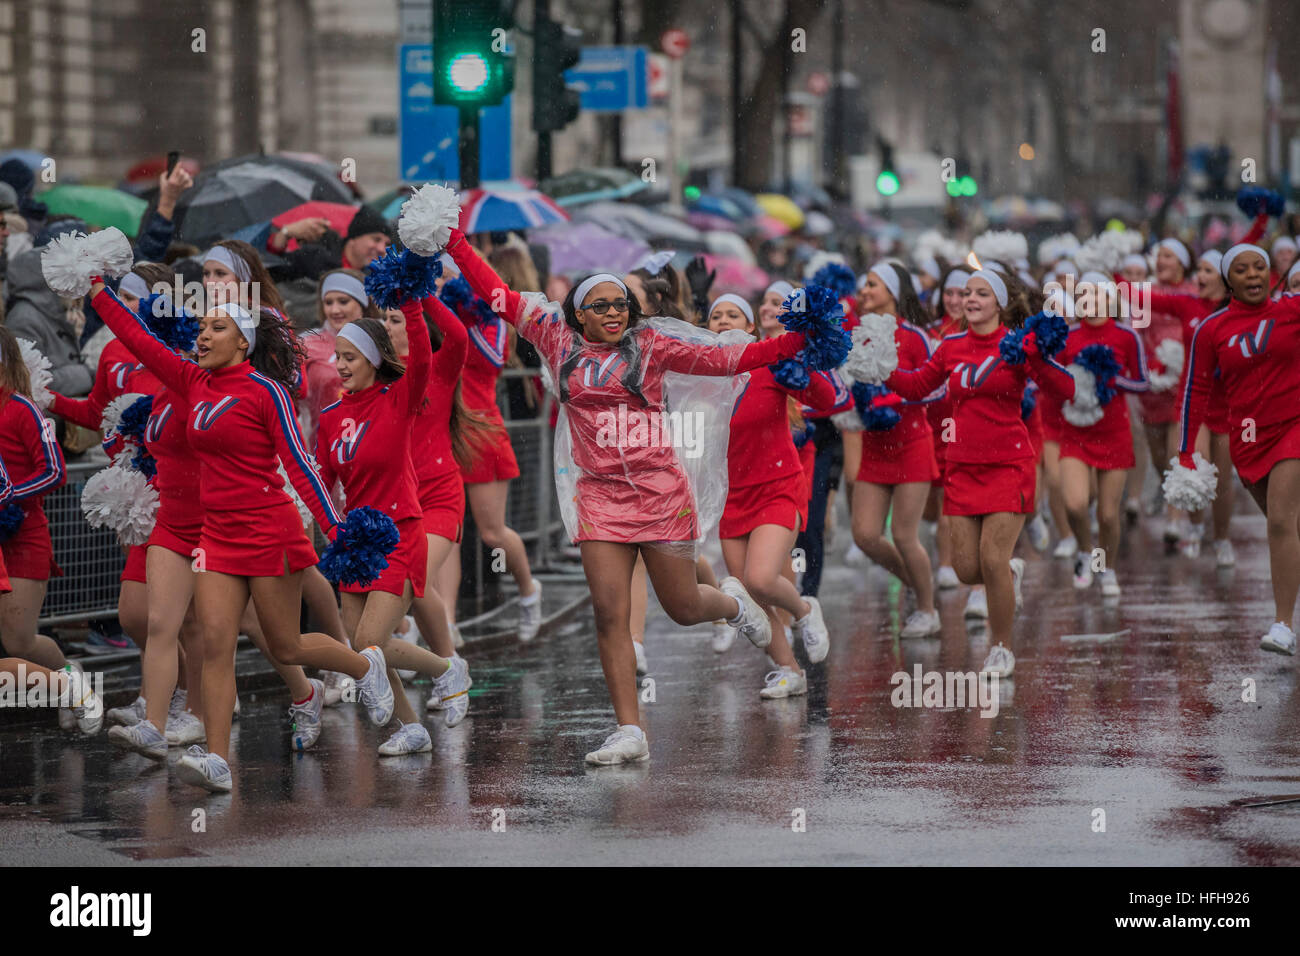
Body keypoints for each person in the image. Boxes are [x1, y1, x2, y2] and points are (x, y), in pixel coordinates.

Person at [443, 227, 810, 765]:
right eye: (601, 305)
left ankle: (735, 606)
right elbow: (494, 290)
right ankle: (629, 730)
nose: (614, 313)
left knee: (684, 607)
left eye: (622, 304)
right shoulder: (551, 335)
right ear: (578, 314)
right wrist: (453, 241)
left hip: (661, 493)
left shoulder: (653, 345)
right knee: (608, 614)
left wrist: (802, 340)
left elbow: (728, 361)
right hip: (598, 498)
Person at [86, 274, 397, 794]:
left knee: (288, 645)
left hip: (268, 532)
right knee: (215, 645)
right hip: (216, 537)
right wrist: (97, 290)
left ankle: (364, 667)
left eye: (217, 327)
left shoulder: (266, 392)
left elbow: (299, 466)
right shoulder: (191, 381)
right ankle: (216, 759)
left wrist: (336, 532)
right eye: (202, 327)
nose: (203, 336)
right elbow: (140, 338)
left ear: (243, 342)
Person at [886, 270, 1076, 676]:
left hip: (1009, 464)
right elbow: (918, 386)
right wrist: (880, 367)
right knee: (967, 570)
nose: (970, 299)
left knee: (991, 558)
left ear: (1000, 303)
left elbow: (1065, 388)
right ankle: (1009, 573)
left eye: (981, 293)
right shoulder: (951, 346)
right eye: (967, 292)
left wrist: (1037, 358)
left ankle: (1001, 646)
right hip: (962, 467)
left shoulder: (1017, 344)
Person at [316, 293, 472, 754]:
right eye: (337, 357)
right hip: (354, 539)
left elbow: (426, 354)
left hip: (399, 532)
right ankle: (412, 726)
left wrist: (415, 299)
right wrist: (329, 529)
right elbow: (324, 481)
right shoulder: (330, 417)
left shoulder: (398, 398)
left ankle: (447, 668)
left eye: (350, 357)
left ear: (372, 359)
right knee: (360, 649)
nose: (340, 366)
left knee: (369, 641)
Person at [707, 293, 835, 697]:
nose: (723, 320)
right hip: (731, 495)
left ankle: (804, 609)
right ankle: (788, 670)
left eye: (733, 314)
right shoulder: (700, 376)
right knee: (750, 596)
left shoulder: (769, 362)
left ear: (750, 328)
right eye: (715, 315)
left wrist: (801, 369)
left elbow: (826, 400)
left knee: (760, 578)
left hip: (777, 486)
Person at [1178, 244, 1300, 655]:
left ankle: (1283, 623)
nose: (1252, 276)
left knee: (1281, 521)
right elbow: (1195, 390)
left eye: (1260, 268)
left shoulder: (1292, 311)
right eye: (1243, 270)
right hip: (1247, 438)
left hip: (1294, 426)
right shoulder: (1211, 330)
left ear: (1270, 273)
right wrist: (1184, 452)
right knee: (1290, 526)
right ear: (1229, 281)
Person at [437, 274, 542, 642]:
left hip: (481, 432)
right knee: (446, 533)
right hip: (440, 432)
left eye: (447, 274)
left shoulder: (487, 317)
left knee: (492, 533)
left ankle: (529, 592)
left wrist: (462, 310)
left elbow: (492, 357)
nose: (441, 279)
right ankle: (447, 622)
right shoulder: (431, 311)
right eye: (436, 273)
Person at [0, 328, 90, 732]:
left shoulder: (23, 409)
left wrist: (8, 495)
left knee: (18, 640)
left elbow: (55, 471)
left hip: (23, 535)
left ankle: (72, 678)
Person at [852, 262, 941, 637]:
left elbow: (935, 387)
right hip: (874, 446)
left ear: (891, 290)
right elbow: (847, 384)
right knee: (865, 535)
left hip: (912, 444)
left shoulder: (916, 337)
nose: (864, 291)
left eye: (872, 285)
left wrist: (894, 399)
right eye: (863, 285)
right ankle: (915, 581)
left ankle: (927, 607)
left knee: (905, 536)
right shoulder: (856, 335)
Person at [1055, 272, 1150, 597]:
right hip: (1076, 432)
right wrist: (1072, 383)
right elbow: (1053, 381)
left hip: (1113, 433)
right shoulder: (1066, 335)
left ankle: (1104, 566)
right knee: (1076, 505)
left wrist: (1112, 380)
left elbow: (1142, 382)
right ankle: (1084, 551)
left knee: (1109, 515)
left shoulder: (1126, 336)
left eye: (1097, 294)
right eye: (1084, 295)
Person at [297, 268, 379, 447]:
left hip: (375, 445)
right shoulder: (306, 344)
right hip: (322, 447)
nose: (335, 310)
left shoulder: (384, 340)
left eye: (343, 301)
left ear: (362, 303)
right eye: (328, 302)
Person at [4, 247, 93, 397]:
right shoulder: (24, 319)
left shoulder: (52, 312)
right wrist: (88, 375)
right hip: (42, 418)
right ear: (47, 281)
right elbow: (33, 382)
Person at [266, 205, 391, 283]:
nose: (382, 249)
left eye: (386, 244)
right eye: (376, 239)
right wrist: (285, 233)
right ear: (354, 238)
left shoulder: (378, 278)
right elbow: (268, 272)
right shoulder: (314, 258)